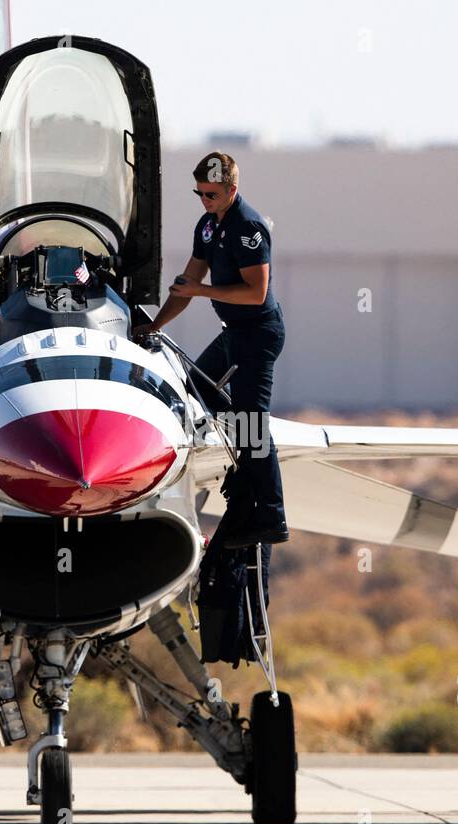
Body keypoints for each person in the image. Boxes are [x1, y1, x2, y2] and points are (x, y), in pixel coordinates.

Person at [133, 151, 288, 548]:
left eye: (212, 194)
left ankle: (270, 514)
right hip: (234, 330)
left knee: (253, 421)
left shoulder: (249, 226)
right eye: (200, 193)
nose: (205, 200)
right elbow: (189, 280)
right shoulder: (207, 226)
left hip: (257, 331)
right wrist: (155, 324)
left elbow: (256, 294)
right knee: (196, 393)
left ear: (232, 190)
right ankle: (245, 473)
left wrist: (200, 291)